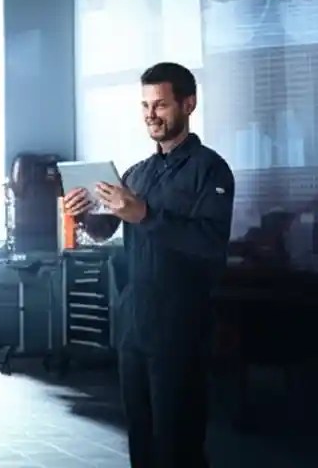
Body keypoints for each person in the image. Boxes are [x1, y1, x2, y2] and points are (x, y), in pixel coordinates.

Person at [63, 62, 234, 468]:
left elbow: (209, 242)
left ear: (188, 104)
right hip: (136, 321)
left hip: (182, 323)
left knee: (178, 440)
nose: (150, 115)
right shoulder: (138, 172)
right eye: (144, 106)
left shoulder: (210, 169)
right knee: (140, 437)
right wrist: (84, 213)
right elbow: (107, 228)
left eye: (160, 105)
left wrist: (144, 214)